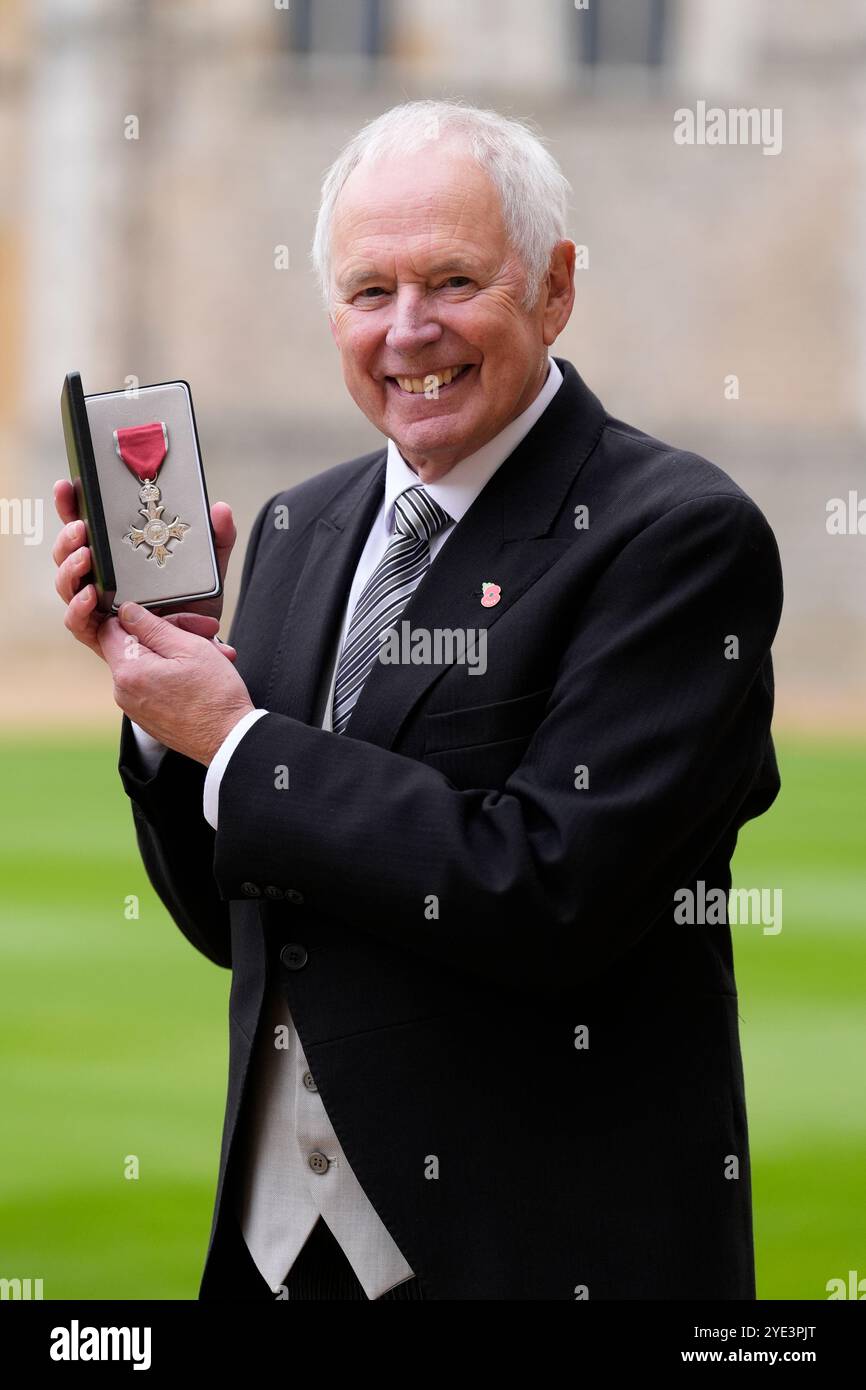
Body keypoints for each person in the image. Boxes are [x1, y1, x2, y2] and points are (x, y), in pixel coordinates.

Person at [52, 98, 783, 1300]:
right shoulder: (296, 527)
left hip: (533, 1260)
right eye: (366, 291)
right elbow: (238, 917)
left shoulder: (677, 539)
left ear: (552, 288)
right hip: (276, 1259)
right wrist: (161, 712)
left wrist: (233, 739)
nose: (406, 331)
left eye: (452, 281)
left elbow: (547, 888)